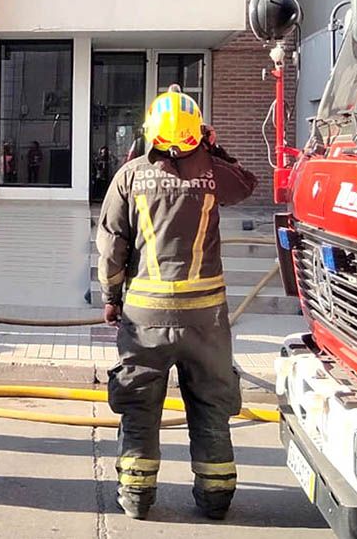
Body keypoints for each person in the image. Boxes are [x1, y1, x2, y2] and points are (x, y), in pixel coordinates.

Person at [95, 89, 258, 521]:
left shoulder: (130, 176)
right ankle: (216, 499)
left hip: (145, 317)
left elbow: (112, 246)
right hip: (206, 319)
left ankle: (136, 497)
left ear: (150, 132)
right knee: (211, 406)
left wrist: (111, 298)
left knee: (139, 407)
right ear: (198, 133)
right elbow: (246, 184)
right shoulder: (213, 173)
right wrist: (214, 148)